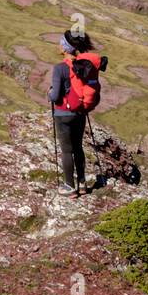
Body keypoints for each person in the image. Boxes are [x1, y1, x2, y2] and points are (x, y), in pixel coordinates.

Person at [48, 30, 107, 196]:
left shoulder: (60, 68)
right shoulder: (84, 66)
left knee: (67, 151)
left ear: (66, 48)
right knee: (78, 148)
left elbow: (55, 95)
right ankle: (82, 183)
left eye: (60, 43)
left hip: (63, 115)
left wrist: (49, 93)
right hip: (80, 113)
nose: (58, 45)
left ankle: (69, 186)